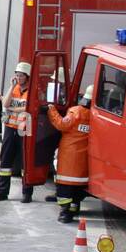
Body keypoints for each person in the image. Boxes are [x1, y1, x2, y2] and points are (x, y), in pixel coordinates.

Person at [48, 86, 92, 223]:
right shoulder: (95, 117)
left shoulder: (76, 112)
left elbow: (61, 124)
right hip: (84, 157)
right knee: (77, 187)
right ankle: (73, 209)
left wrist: (52, 110)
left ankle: (64, 213)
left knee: (65, 186)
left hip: (69, 156)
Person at [0, 61, 34, 203]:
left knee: (25, 162)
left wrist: (13, 110)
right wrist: (12, 86)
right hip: (10, 128)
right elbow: (5, 104)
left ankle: (27, 193)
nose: (19, 78)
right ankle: (2, 191)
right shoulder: (14, 89)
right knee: (5, 160)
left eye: (21, 76)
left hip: (24, 130)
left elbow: (27, 108)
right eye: (17, 75)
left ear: (27, 77)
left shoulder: (32, 91)